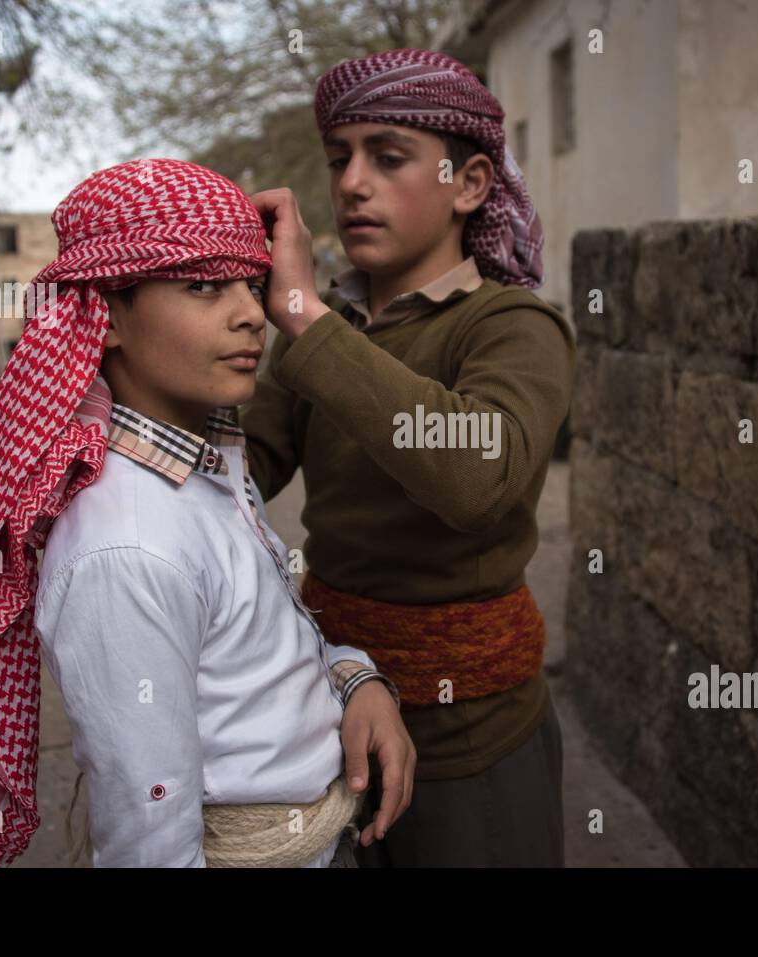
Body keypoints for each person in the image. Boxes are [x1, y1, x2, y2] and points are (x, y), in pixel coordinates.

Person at [0, 158, 412, 868]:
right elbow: (151, 839)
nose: (252, 312)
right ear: (108, 315)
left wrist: (353, 676)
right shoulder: (126, 548)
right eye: (201, 285)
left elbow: (256, 658)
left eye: (250, 283)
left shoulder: (207, 463)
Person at [240, 48, 576, 867]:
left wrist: (305, 320)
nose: (352, 182)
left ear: (469, 185)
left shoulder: (510, 327)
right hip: (326, 715)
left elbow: (477, 479)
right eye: (338, 158)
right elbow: (241, 473)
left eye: (388, 157)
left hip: (471, 741)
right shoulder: (323, 333)